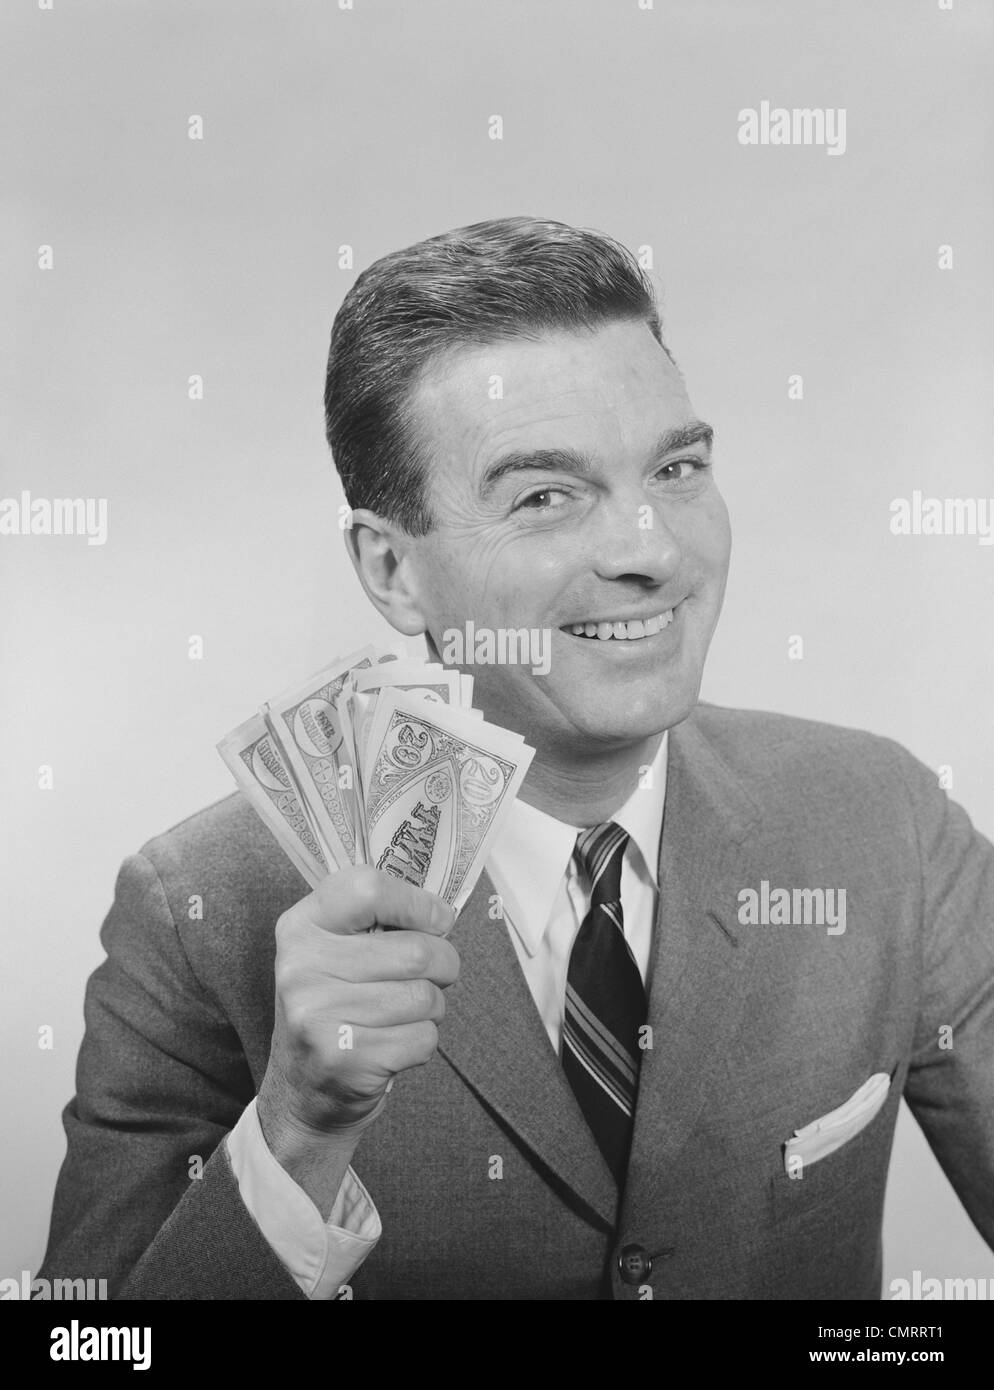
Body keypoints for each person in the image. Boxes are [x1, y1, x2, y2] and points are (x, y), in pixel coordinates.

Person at [39, 218, 994, 1300]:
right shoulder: (197, 913)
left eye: (675, 467)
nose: (649, 550)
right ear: (394, 571)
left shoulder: (884, 823)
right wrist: (298, 1135)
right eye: (545, 496)